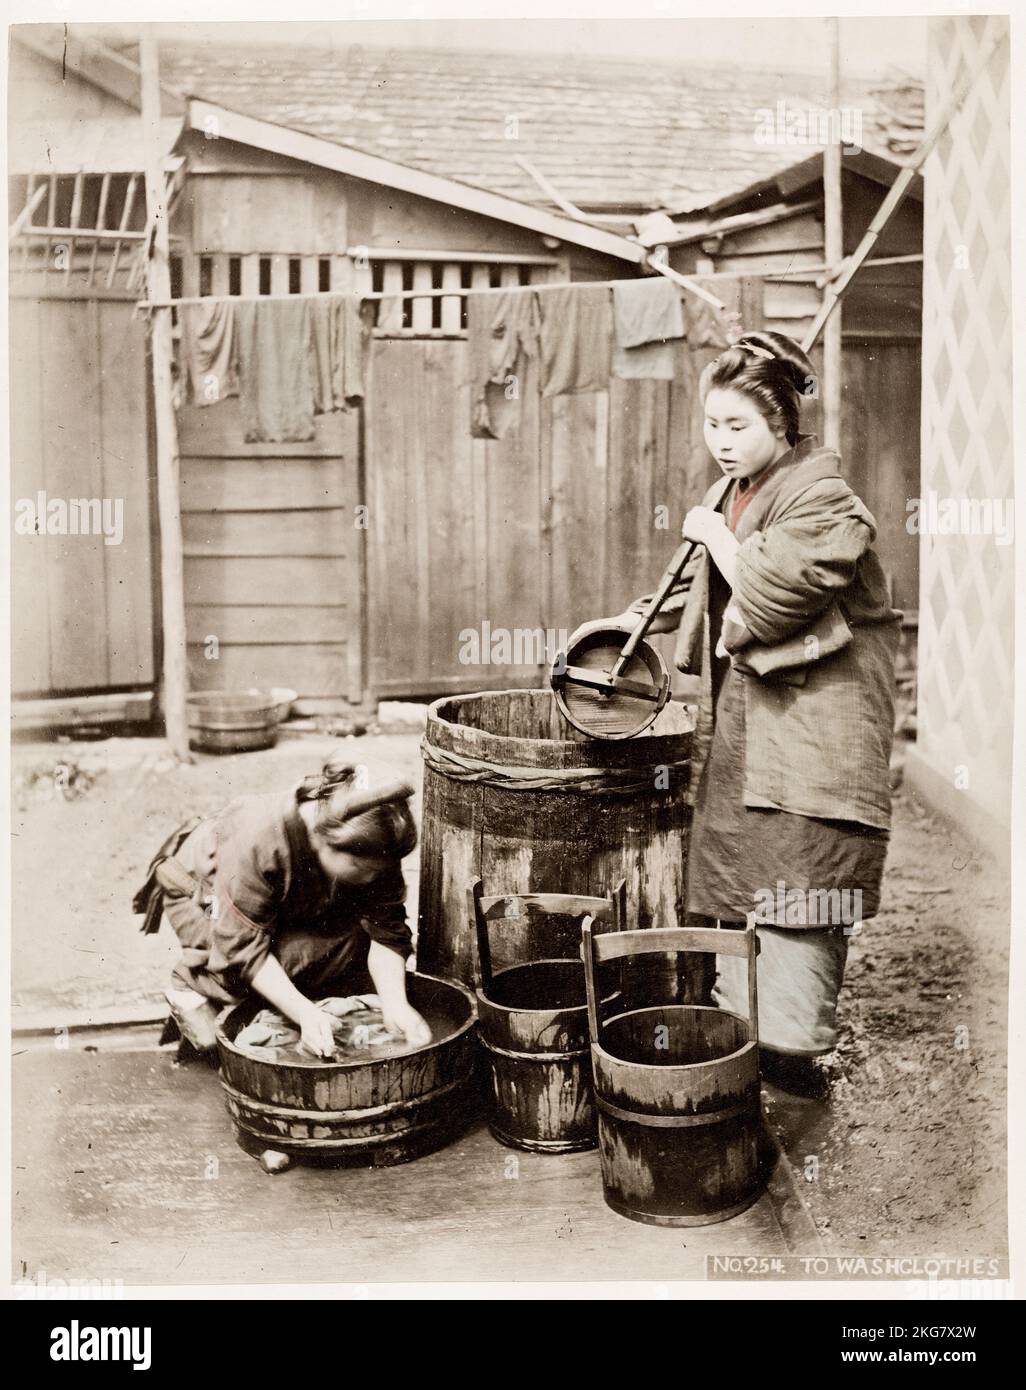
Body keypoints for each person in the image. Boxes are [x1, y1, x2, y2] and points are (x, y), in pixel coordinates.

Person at [606, 330, 901, 1090]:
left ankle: (796, 1055)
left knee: (802, 868)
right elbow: (694, 586)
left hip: (817, 721)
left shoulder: (826, 499)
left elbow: (769, 599)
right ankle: (749, 1035)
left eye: (738, 425)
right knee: (746, 867)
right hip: (756, 716)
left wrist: (715, 535)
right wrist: (620, 633)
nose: (721, 442)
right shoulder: (730, 494)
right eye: (712, 423)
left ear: (782, 425)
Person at [134, 758, 431, 1057]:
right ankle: (193, 984)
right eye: (360, 867)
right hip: (205, 895)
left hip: (282, 897)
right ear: (322, 839)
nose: (372, 879)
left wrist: (396, 1005)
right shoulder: (259, 838)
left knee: (354, 946)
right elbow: (242, 947)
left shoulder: (371, 840)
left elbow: (386, 929)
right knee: (289, 963)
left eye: (378, 871)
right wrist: (305, 1014)